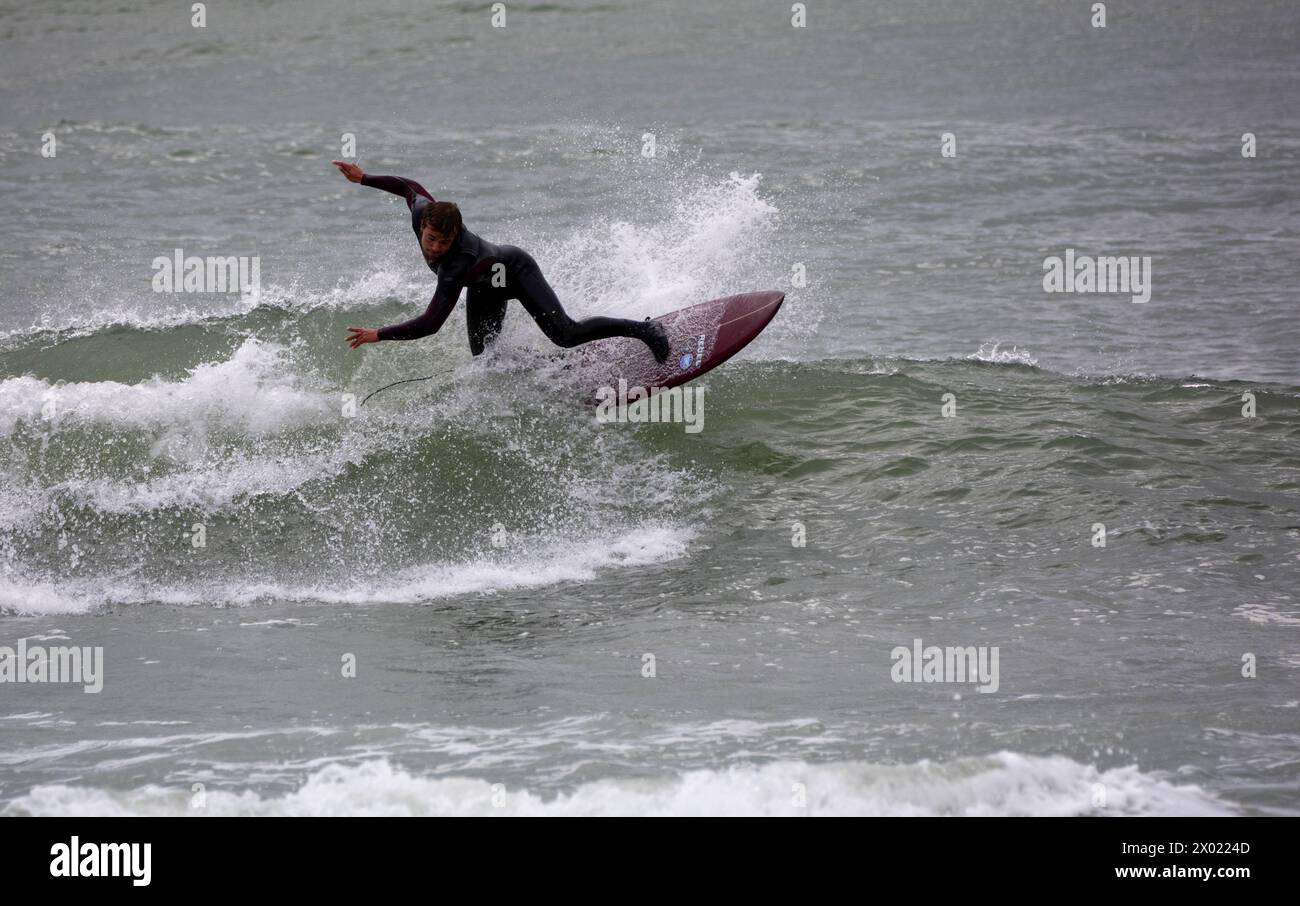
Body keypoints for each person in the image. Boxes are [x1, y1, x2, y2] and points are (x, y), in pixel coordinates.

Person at [333, 161, 669, 361]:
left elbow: (430, 323)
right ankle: (548, 369)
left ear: (456, 234)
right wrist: (364, 178)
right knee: (486, 358)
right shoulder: (424, 211)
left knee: (566, 334)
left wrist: (380, 333)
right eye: (431, 239)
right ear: (423, 224)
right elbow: (409, 186)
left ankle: (645, 329)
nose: (434, 248)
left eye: (444, 242)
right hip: (485, 286)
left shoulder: (456, 263)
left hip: (515, 272)